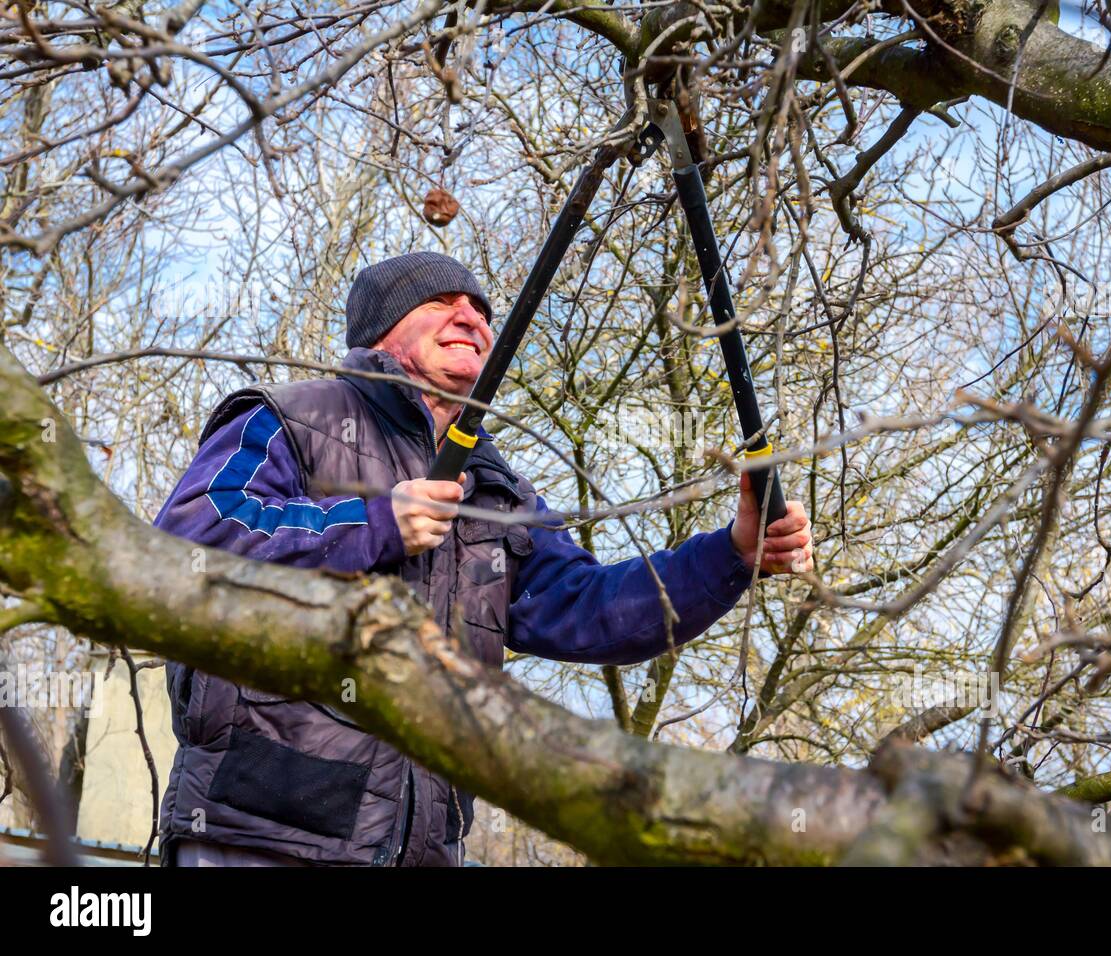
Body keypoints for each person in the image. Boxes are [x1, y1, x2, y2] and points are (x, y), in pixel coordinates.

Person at [155, 251, 812, 866]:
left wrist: (732, 553)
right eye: (441, 302)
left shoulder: (494, 490)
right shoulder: (293, 418)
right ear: (382, 332)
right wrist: (377, 522)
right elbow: (191, 540)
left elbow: (595, 610)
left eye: (480, 310)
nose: (471, 316)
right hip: (257, 836)